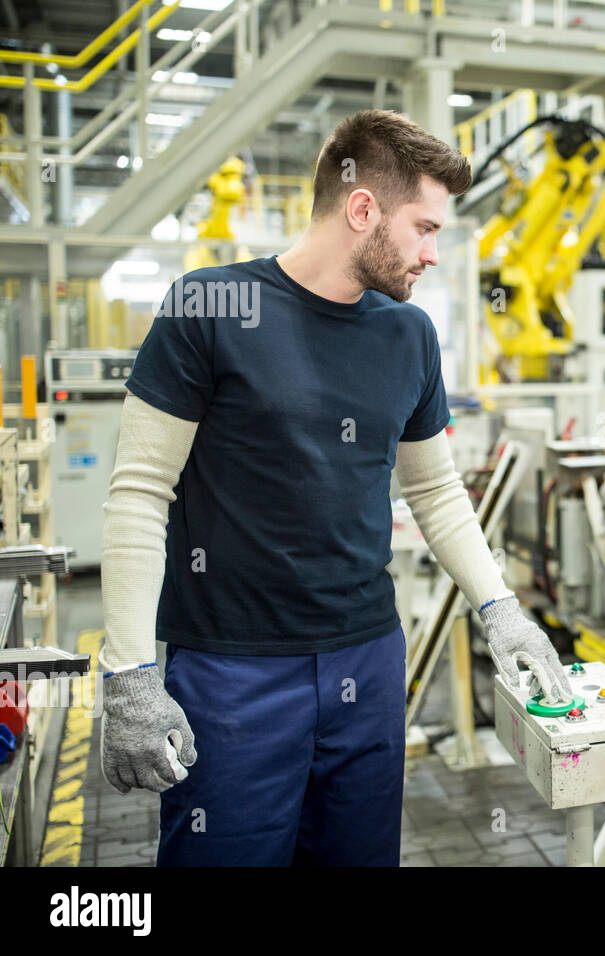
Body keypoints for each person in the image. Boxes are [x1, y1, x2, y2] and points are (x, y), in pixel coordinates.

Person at [97, 109, 572, 866]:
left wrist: (501, 610)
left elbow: (437, 493)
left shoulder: (408, 335)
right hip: (233, 669)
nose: (433, 254)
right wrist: (128, 674)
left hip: (368, 662)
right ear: (362, 209)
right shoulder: (209, 308)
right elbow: (139, 493)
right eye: (424, 228)